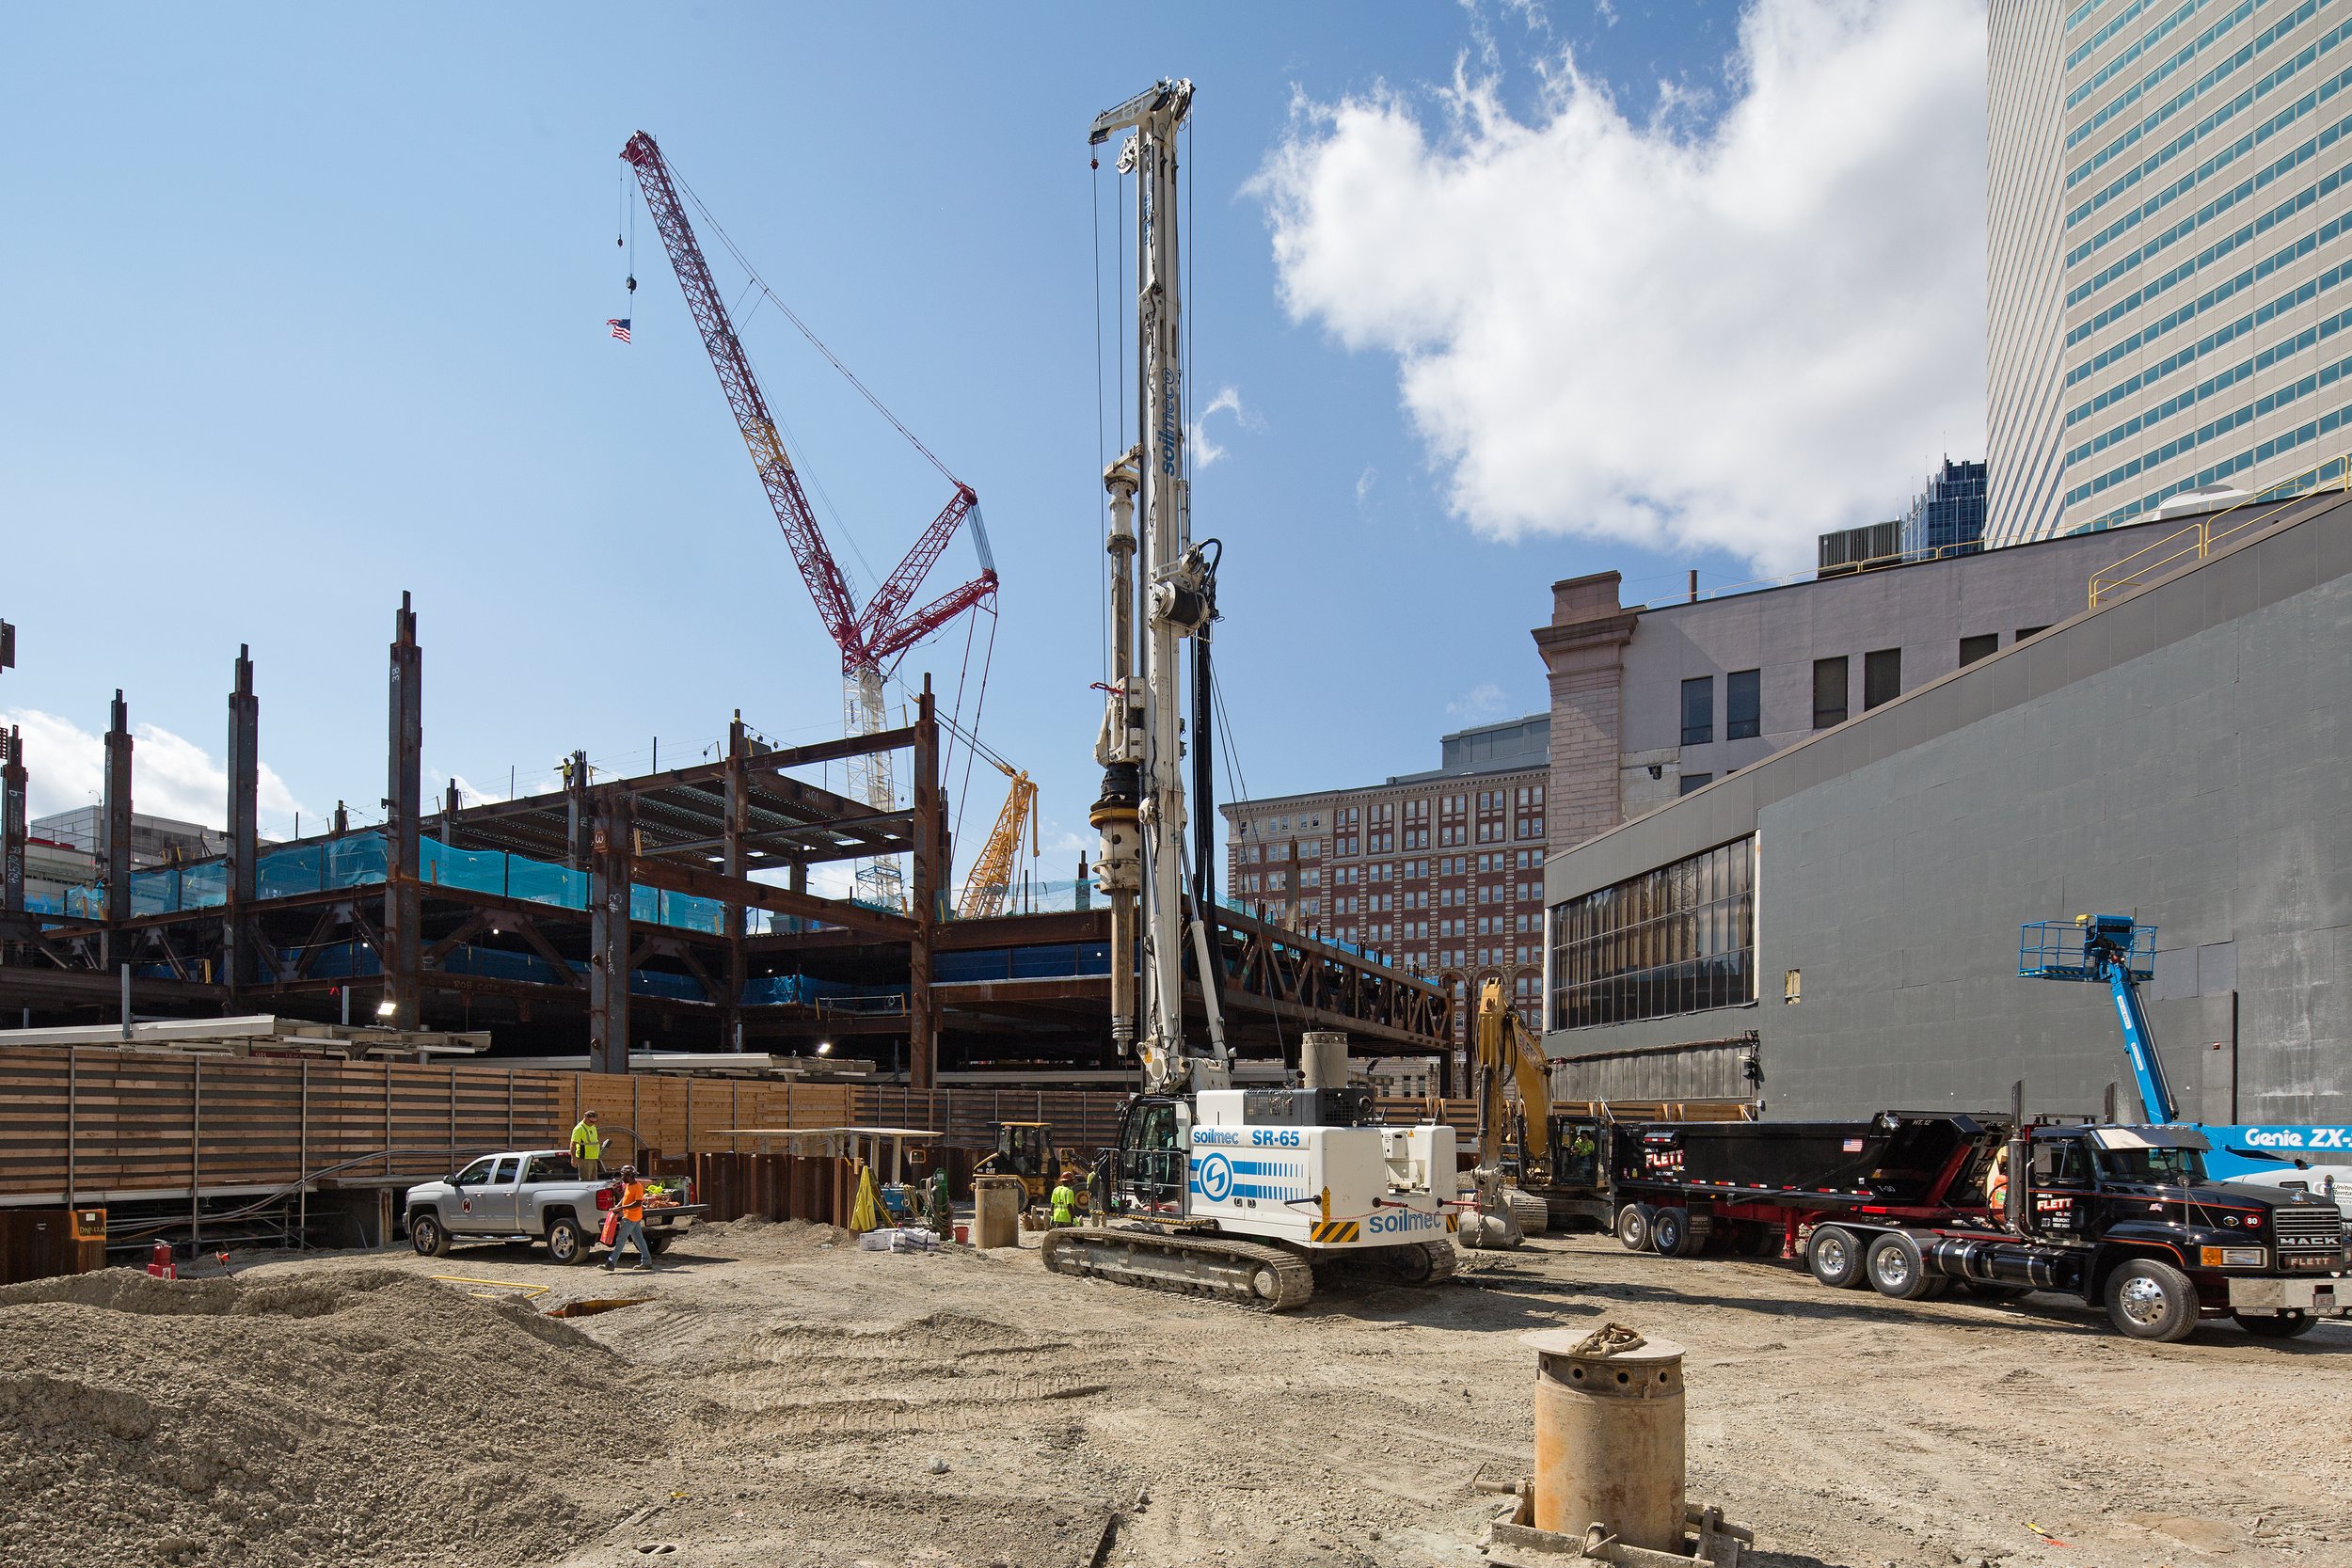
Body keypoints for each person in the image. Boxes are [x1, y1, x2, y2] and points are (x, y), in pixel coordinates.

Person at [603, 1164, 660, 1271]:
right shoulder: (629, 1184)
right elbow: (625, 1198)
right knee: (639, 1239)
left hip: (630, 1218)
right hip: (634, 1217)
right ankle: (647, 1262)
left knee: (620, 1240)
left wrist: (621, 1208)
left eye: (622, 1175)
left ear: (628, 1175)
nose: (622, 1177)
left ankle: (611, 1263)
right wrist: (617, 1206)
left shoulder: (637, 1186)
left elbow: (637, 1203)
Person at [569, 1111, 603, 1180]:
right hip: (584, 1158)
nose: (592, 1123)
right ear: (585, 1118)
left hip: (594, 1158)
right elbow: (573, 1144)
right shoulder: (579, 1128)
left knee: (594, 1181)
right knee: (586, 1180)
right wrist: (573, 1159)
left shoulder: (593, 1126)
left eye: (594, 1122)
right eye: (591, 1121)